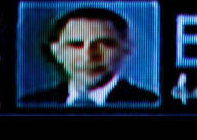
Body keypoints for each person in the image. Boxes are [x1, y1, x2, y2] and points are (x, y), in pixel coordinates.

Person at [20, 7, 157, 107]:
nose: (88, 56)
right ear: (56, 52)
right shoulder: (31, 103)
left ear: (125, 49)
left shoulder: (150, 102)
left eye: (104, 44)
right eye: (76, 44)